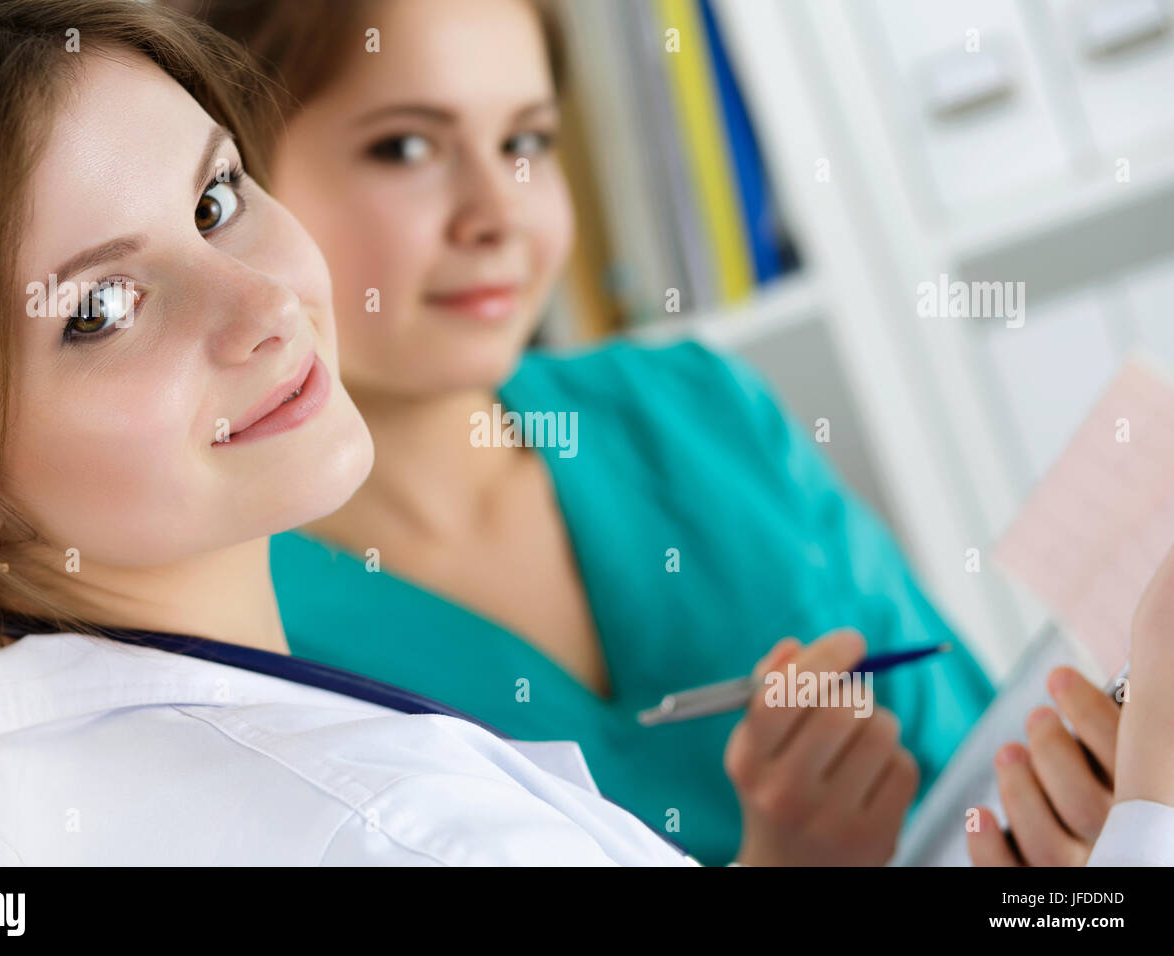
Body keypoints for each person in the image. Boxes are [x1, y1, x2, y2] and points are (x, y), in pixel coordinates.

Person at [0, 0, 695, 866]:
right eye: (102, 308)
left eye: (213, 202)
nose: (265, 304)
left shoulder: (21, 782)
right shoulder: (406, 834)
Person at [177, 0, 995, 865]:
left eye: (525, 143)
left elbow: (978, 753)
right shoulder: (240, 634)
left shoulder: (694, 404)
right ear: (226, 194)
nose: (497, 213)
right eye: (407, 148)